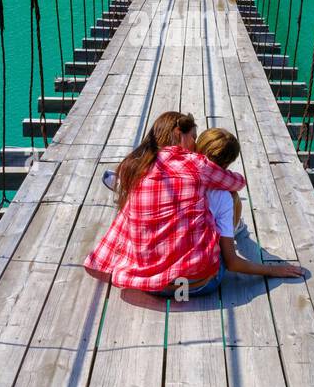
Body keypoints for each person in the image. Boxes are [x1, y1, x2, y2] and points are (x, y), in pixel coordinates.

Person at [84, 111, 243, 298]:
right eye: (192, 137)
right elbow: (237, 183)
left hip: (147, 283)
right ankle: (230, 231)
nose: (194, 143)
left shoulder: (141, 163)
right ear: (178, 133)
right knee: (228, 197)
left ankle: (124, 185)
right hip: (196, 284)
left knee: (135, 203)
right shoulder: (198, 164)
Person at [193, 128, 306, 285]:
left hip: (156, 281)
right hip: (202, 284)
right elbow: (232, 263)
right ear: (226, 163)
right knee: (232, 197)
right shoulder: (223, 196)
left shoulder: (172, 175)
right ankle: (231, 229)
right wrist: (273, 270)